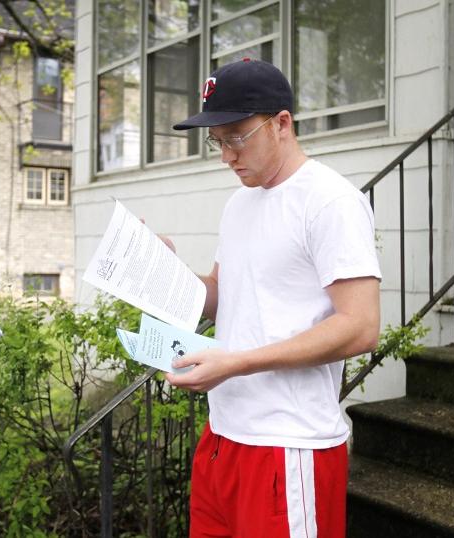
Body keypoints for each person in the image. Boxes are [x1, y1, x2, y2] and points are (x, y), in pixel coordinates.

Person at [165, 59, 382, 538]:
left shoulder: (329, 201)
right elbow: (223, 297)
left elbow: (361, 325)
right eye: (217, 141)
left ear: (281, 123)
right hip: (222, 437)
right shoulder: (240, 203)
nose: (226, 156)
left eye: (236, 137)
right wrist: (165, 275)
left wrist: (237, 363)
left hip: (289, 444)